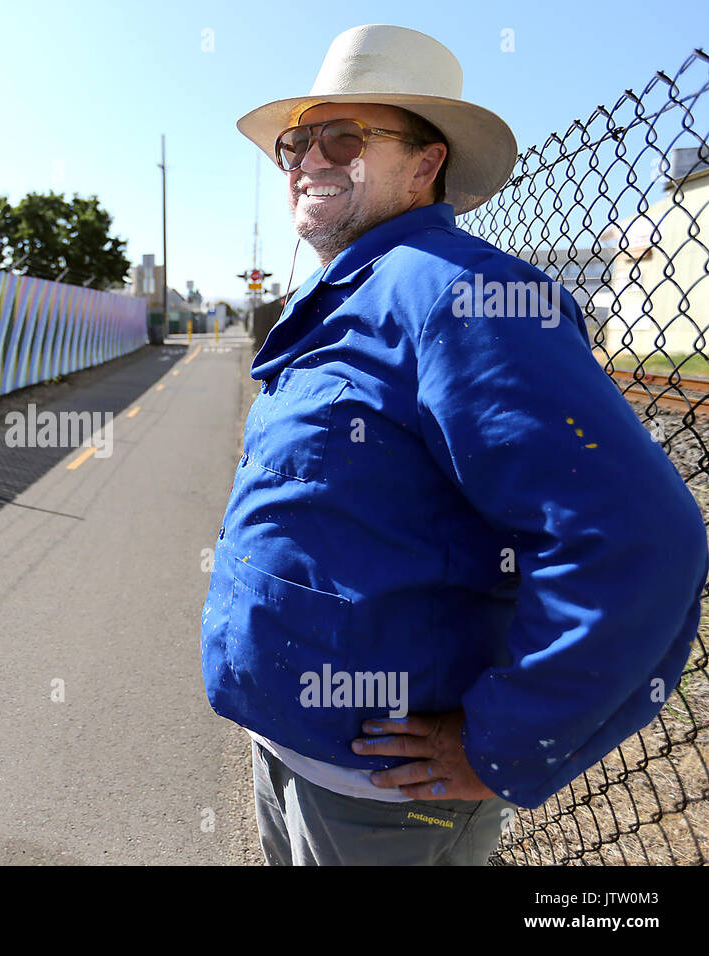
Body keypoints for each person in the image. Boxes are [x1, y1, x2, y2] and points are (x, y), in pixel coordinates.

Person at [200, 24, 708, 866]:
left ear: (426, 163)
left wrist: (504, 741)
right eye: (296, 142)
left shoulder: (460, 294)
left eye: (344, 138)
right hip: (291, 747)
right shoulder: (351, 292)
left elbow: (639, 538)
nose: (306, 159)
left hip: (387, 798)